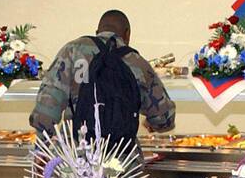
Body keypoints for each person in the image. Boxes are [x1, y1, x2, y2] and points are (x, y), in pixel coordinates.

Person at [29, 10, 175, 152]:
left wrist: (41, 147)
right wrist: (150, 123)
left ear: (97, 32)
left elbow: (47, 106)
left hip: (75, 155)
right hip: (121, 158)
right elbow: (164, 118)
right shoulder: (137, 63)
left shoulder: (73, 51)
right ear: (127, 34)